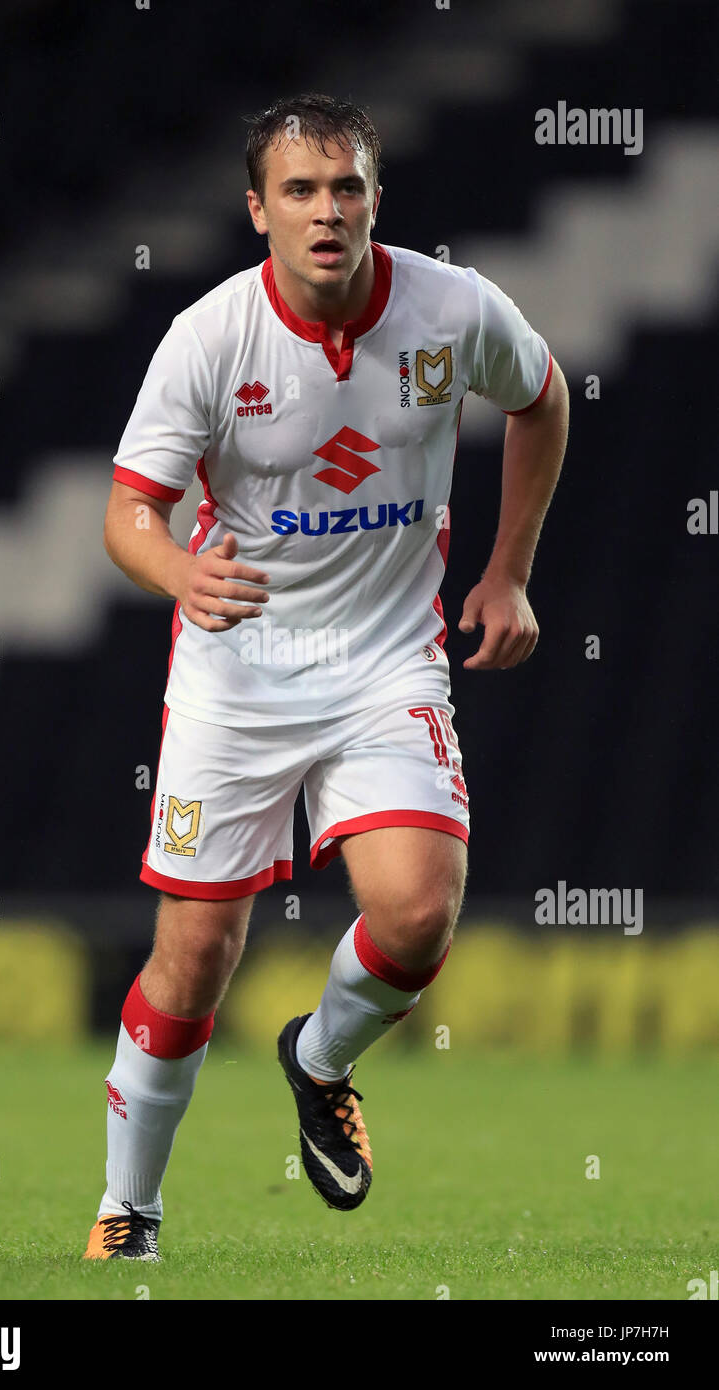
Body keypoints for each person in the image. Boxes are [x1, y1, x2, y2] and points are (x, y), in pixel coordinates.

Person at [84, 92, 569, 1260]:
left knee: (415, 909)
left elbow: (541, 400)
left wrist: (505, 576)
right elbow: (128, 514)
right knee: (194, 960)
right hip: (234, 678)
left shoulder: (454, 309)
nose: (326, 210)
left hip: (385, 666)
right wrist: (176, 575)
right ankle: (127, 1212)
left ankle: (317, 1058)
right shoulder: (210, 338)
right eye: (299, 189)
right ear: (257, 209)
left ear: (374, 201)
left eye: (346, 186)